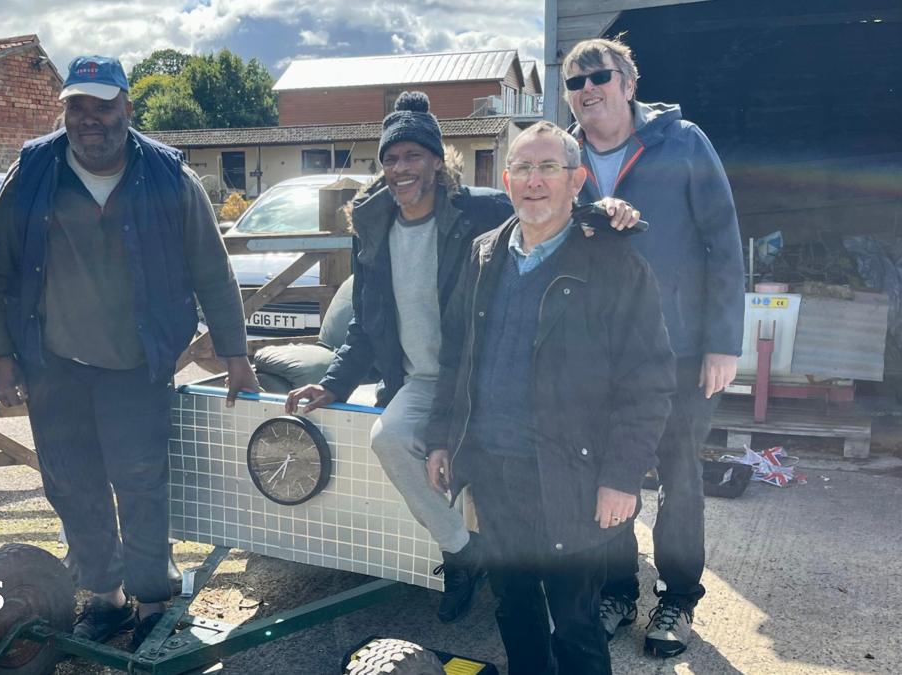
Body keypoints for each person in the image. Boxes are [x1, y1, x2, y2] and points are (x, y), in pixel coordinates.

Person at [284, 92, 639, 622]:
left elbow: (542, 210)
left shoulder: (480, 210)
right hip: (426, 379)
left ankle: (609, 580)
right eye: (391, 158)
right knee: (389, 437)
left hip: (487, 373)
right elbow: (367, 320)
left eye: (413, 156)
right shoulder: (371, 228)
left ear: (437, 160)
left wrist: (605, 210)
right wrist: (333, 383)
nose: (401, 168)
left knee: (570, 466)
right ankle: (462, 552)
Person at [0, 55, 256, 650]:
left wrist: (236, 353)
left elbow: (212, 269)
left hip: (137, 366)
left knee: (141, 483)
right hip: (53, 364)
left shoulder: (169, 177)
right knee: (72, 484)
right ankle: (104, 600)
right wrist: (2, 357)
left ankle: (153, 601)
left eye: (102, 106)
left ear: (127, 108)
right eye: (76, 106)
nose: (89, 119)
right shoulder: (32, 172)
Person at [424, 120, 676, 674]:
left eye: (549, 168)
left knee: (576, 624)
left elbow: (648, 381)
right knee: (514, 609)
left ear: (577, 179)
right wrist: (442, 439)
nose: (534, 181)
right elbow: (456, 357)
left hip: (573, 478)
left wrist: (622, 476)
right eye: (523, 169)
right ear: (507, 179)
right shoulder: (483, 254)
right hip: (495, 473)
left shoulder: (614, 264)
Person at [562, 38, 746, 657]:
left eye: (598, 76)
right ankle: (619, 588)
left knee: (678, 473)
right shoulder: (565, 159)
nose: (586, 89)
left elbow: (723, 240)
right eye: (573, 81)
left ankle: (677, 597)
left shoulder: (682, 141)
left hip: (682, 348)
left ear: (628, 82)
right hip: (599, 354)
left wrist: (723, 341)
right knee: (604, 470)